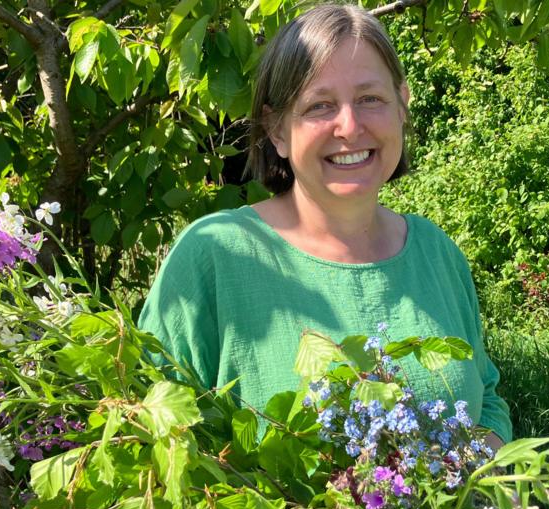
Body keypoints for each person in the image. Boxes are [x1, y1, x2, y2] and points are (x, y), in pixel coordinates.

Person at [137, 3, 511, 446]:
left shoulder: (437, 253)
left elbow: (485, 398)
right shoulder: (214, 256)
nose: (349, 127)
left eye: (370, 99)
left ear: (402, 105)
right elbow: (147, 429)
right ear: (277, 130)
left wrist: (481, 471)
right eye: (320, 106)